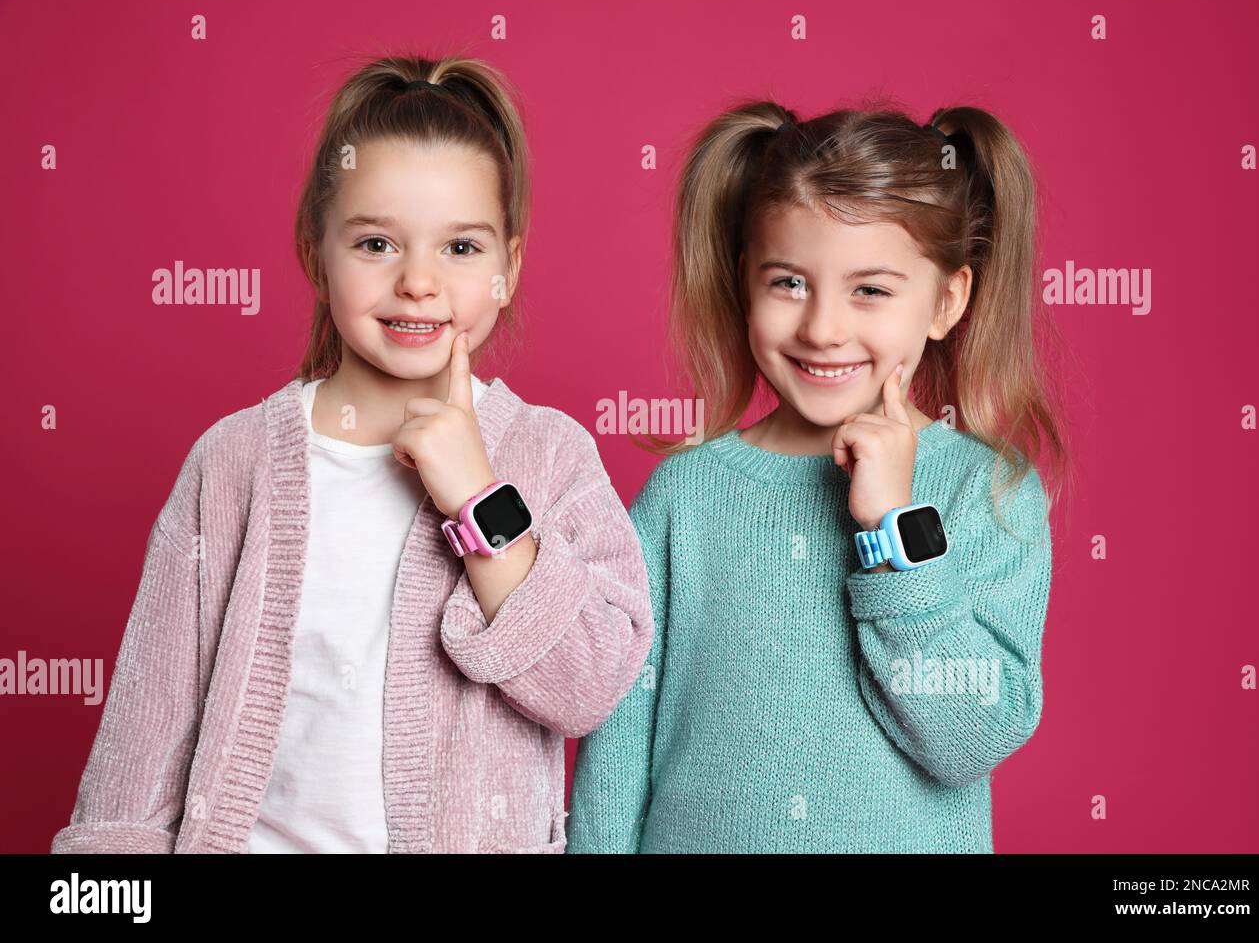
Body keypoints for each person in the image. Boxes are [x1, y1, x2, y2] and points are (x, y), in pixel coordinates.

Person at [50, 53, 653, 854]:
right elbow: (145, 730)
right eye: (376, 243)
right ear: (316, 252)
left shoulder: (550, 453)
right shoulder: (234, 462)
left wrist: (478, 495)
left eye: (461, 249)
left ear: (509, 268)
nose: (418, 283)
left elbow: (589, 686)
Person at [567, 102, 1072, 853]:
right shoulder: (684, 498)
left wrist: (896, 532)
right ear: (745, 280)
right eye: (789, 283)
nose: (823, 328)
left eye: (870, 290)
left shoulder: (984, 493)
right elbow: (618, 751)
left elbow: (970, 739)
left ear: (946, 300)